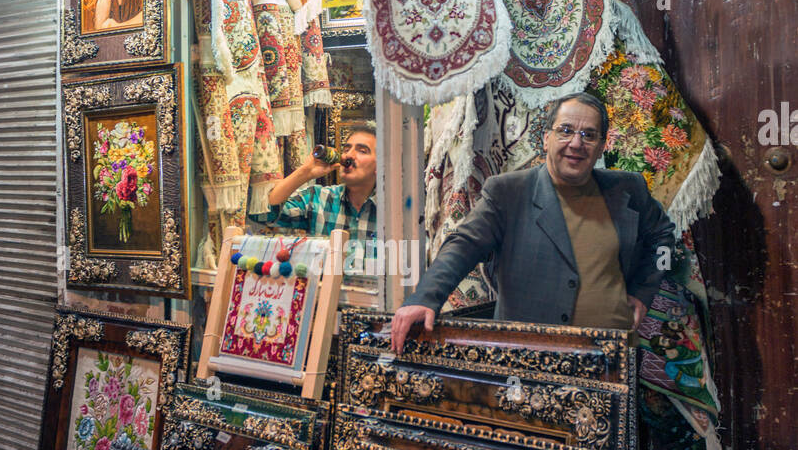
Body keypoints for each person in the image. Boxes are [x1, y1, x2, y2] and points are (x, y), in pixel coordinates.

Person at [391, 92, 676, 354]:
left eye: (588, 135)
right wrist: (425, 297)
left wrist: (644, 290)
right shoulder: (509, 192)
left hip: (611, 358)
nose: (576, 143)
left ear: (601, 146)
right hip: (531, 358)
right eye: (565, 131)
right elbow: (463, 245)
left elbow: (663, 240)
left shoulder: (628, 190)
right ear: (546, 138)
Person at [264, 121, 377, 276]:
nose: (348, 155)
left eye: (362, 151)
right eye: (346, 149)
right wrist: (306, 172)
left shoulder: (396, 211)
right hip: (322, 298)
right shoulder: (318, 198)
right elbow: (266, 214)